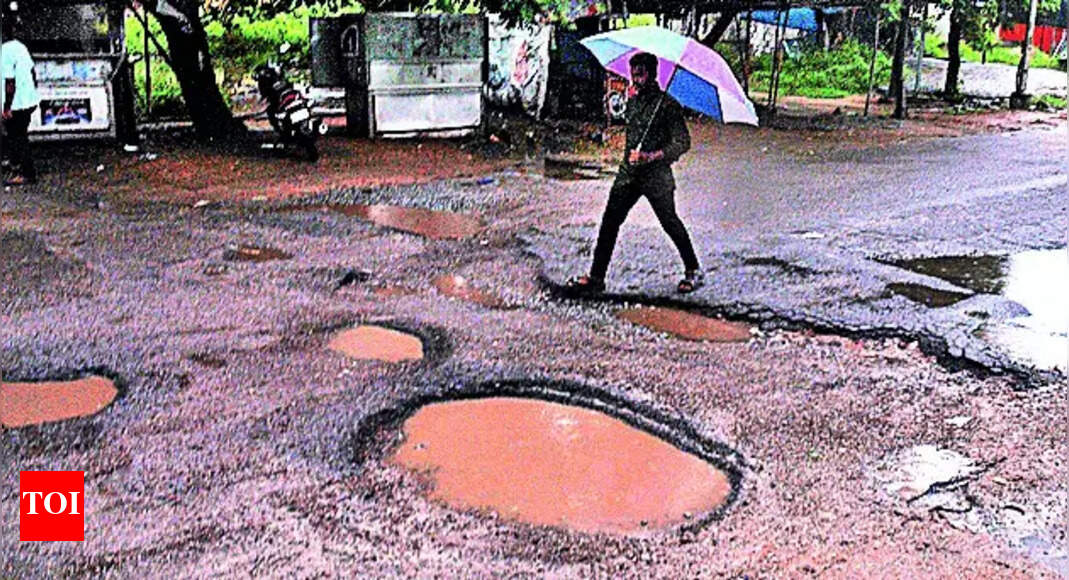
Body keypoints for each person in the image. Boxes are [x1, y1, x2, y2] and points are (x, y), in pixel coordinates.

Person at [568, 52, 703, 294]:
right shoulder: (633, 100)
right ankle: (596, 277)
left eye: (640, 74)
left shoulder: (668, 105)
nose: (635, 78)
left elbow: (682, 142)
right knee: (610, 222)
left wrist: (652, 156)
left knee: (669, 222)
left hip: (657, 177)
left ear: (652, 74)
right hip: (628, 174)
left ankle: (693, 269)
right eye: (633, 73)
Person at [2, 13, 40, 185]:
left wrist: (7, 107)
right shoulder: (20, 47)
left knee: (18, 137)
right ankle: (15, 163)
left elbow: (10, 82)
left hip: (17, 103)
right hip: (28, 100)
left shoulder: (5, 52)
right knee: (15, 134)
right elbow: (33, 71)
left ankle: (27, 173)